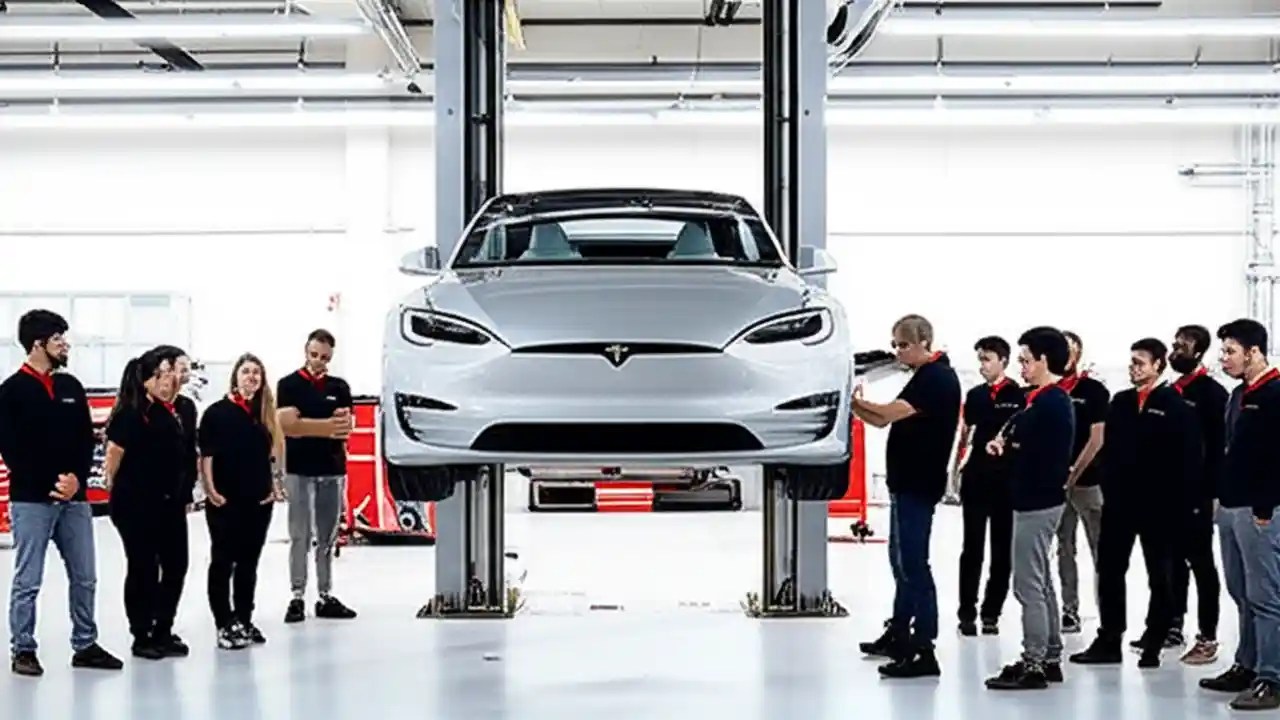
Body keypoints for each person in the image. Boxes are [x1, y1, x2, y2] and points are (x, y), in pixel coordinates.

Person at [0, 309, 122, 676]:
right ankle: (23, 648)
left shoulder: (70, 386)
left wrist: (76, 483)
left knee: (85, 576)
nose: (65, 345)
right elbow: (13, 450)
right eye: (59, 339)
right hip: (31, 501)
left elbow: (85, 440)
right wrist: (54, 484)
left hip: (75, 500)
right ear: (38, 344)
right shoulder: (10, 392)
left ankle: (85, 644)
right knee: (28, 580)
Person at [1069, 338, 1201, 670]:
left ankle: (1154, 641)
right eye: (1131, 362)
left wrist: (1183, 505)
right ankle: (1109, 638)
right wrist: (1111, 487)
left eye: (1140, 362)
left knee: (1161, 574)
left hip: (1160, 506)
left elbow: (1187, 461)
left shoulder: (1176, 406)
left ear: (1158, 365)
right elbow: (1109, 449)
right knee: (1110, 569)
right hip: (1120, 504)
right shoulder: (1121, 402)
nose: (1133, 367)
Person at [854, 314, 961, 679]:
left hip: (918, 484)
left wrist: (848, 401)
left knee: (915, 564)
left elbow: (884, 417)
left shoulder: (936, 379)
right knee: (901, 563)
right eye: (895, 344)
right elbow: (881, 418)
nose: (898, 351)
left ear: (924, 343)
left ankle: (923, 647)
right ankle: (900, 632)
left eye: (904, 344)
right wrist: (853, 405)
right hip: (905, 483)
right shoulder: (922, 377)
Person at [983, 326, 1074, 691]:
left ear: (1044, 360)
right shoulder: (1042, 400)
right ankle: (1050, 654)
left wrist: (1008, 447)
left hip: (1036, 501)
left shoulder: (1050, 402)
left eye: (1024, 360)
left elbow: (1030, 448)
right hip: (1038, 499)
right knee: (1042, 581)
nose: (1020, 367)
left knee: (1028, 585)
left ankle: (1034, 661)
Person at [1198, 319, 1280, 711]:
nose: (1223, 358)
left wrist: (1266, 506)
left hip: (1260, 510)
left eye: (1230, 351)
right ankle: (1247, 665)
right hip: (1231, 508)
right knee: (1242, 593)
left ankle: (1273, 677)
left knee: (1266, 597)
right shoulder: (1237, 395)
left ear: (1254, 352)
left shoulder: (1277, 392)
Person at [102, 346, 191, 660]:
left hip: (169, 503)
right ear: (147, 381)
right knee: (143, 567)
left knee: (176, 565)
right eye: (162, 375)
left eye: (170, 374)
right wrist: (115, 488)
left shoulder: (170, 411)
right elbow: (113, 456)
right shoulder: (130, 413)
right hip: (136, 504)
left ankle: (163, 628)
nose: (169, 380)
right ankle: (141, 633)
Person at [198, 353, 286, 651]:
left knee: (249, 562)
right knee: (223, 561)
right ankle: (224, 622)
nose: (251, 377)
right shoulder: (217, 412)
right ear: (235, 375)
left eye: (257, 373)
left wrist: (273, 486)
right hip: (226, 500)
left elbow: (270, 456)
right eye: (246, 372)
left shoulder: (262, 415)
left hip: (258, 501)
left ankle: (244, 619)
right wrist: (211, 490)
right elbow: (206, 456)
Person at [276, 329, 358, 623]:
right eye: (314, 355)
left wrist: (306, 424)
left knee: (327, 536)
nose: (318, 362)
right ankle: (297, 595)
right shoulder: (288, 384)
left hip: (332, 469)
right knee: (300, 534)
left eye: (324, 358)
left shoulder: (340, 386)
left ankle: (325, 594)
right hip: (298, 469)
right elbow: (287, 426)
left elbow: (344, 427)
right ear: (305, 351)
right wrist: (325, 426)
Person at [954, 335, 1024, 636]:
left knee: (1001, 550)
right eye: (980, 359)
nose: (982, 365)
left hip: (1006, 481)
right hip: (976, 478)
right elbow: (965, 435)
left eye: (987, 359)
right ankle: (966, 611)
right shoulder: (975, 395)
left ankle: (991, 612)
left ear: (1003, 362)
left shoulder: (1019, 396)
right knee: (971, 548)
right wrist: (955, 471)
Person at [1165, 325, 1227, 664]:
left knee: (1201, 562)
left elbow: (1219, 448)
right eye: (1174, 345)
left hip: (1199, 495)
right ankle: (1173, 624)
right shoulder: (1172, 391)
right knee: (1172, 561)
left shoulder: (1212, 394)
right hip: (1170, 494)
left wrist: (1213, 494)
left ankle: (1208, 635)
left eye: (1182, 347)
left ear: (1199, 352)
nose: (1175, 352)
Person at [1056, 330, 1108, 635]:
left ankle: (1107, 613)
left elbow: (1097, 437)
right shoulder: (1044, 390)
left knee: (1100, 549)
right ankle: (1069, 610)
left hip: (1088, 483)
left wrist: (1073, 471)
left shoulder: (1093, 390)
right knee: (1064, 548)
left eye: (1071, 349)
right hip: (1055, 486)